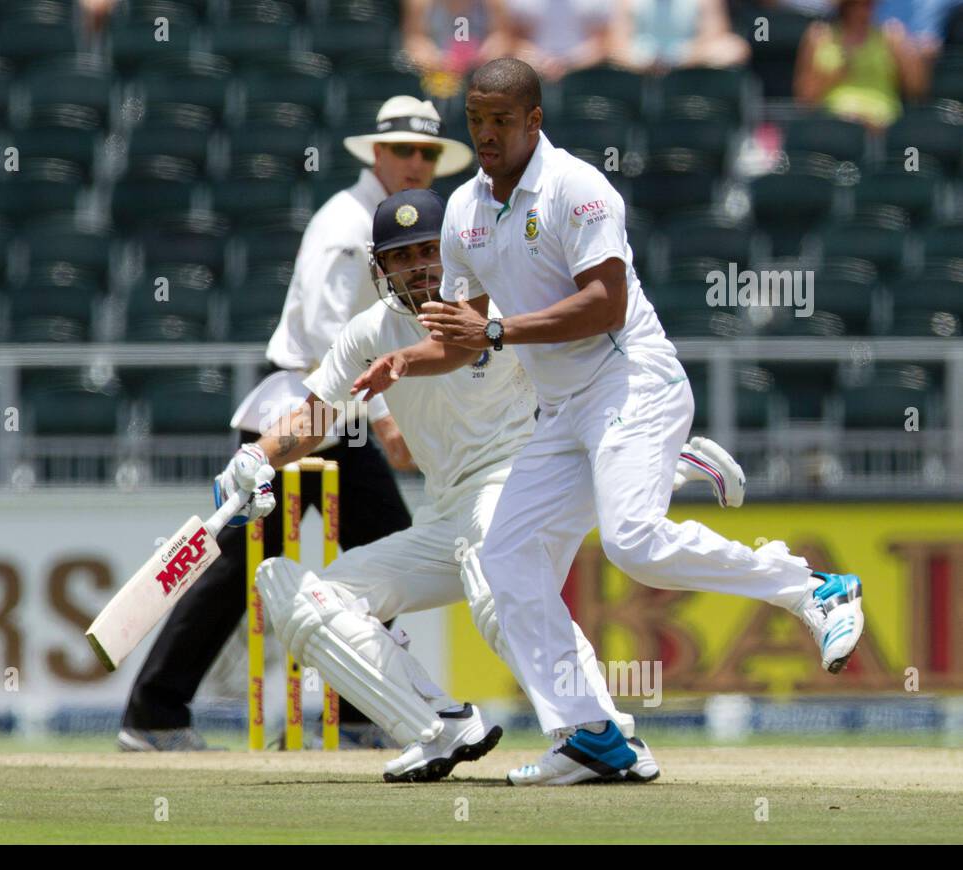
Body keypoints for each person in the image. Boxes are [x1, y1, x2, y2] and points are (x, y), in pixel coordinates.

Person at [354, 58, 865, 785]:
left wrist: (496, 334)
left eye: (501, 120)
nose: (487, 134)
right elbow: (462, 334)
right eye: (475, 120)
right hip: (563, 410)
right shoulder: (464, 212)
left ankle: (812, 587)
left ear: (534, 120)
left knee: (633, 543)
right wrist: (407, 363)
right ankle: (593, 733)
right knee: (504, 560)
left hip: (632, 381)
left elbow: (604, 305)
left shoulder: (579, 189)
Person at [214, 188, 746, 782]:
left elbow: (599, 361)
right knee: (300, 596)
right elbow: (316, 414)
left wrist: (645, 440)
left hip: (515, 484)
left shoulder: (503, 310)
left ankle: (601, 730)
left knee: (495, 577)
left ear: (452, 248)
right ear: (380, 267)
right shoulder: (369, 333)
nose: (416, 265)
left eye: (426, 250)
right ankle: (439, 725)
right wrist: (256, 457)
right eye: (400, 256)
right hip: (444, 512)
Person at [116, 98, 474, 752]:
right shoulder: (345, 227)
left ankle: (359, 710)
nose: (417, 164)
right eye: (404, 150)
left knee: (383, 554)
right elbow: (327, 342)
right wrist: (387, 416)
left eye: (427, 153)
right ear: (376, 153)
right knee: (238, 567)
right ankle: (154, 712)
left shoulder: (408, 224)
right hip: (302, 409)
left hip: (349, 418)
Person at [793, 0, 928, 130]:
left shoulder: (892, 35)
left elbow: (916, 89)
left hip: (884, 125)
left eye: (869, 3)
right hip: (834, 125)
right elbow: (805, 99)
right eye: (858, 3)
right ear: (845, 6)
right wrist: (833, 76)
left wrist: (906, 50)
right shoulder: (819, 36)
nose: (866, 9)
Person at [609, 0, 750, 73]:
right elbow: (616, 42)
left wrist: (679, 58)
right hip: (640, 64)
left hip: (690, 60)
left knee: (733, 48)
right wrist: (646, 60)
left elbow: (716, 35)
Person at [504, 0, 612, 82]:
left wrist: (570, 62)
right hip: (534, 76)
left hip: (585, 77)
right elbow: (511, 39)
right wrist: (539, 61)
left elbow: (605, 41)